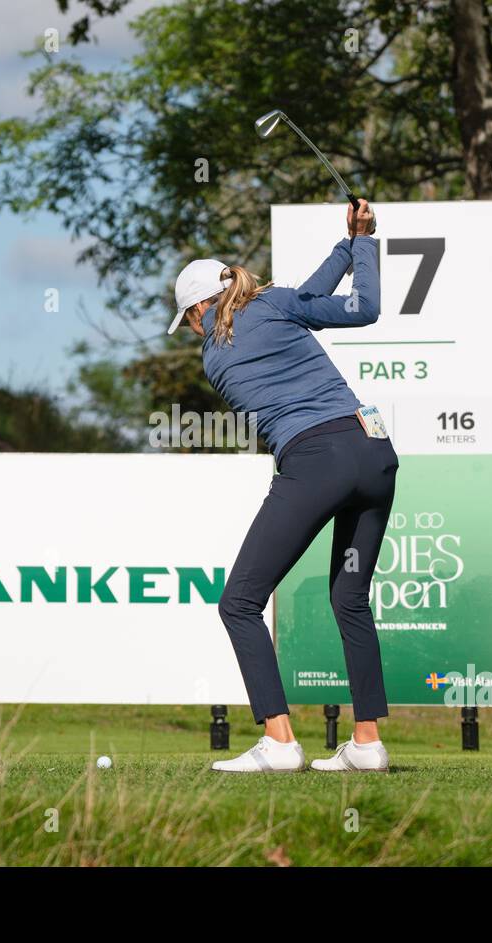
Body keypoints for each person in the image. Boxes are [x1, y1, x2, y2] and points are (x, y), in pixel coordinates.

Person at [169, 199, 397, 773]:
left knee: (239, 602)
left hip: (316, 460)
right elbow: (355, 307)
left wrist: (350, 246)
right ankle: (366, 744)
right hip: (373, 454)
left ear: (201, 308)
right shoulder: (274, 305)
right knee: (349, 598)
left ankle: (280, 742)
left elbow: (306, 299)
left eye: (189, 320)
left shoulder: (214, 356)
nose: (191, 330)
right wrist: (360, 243)